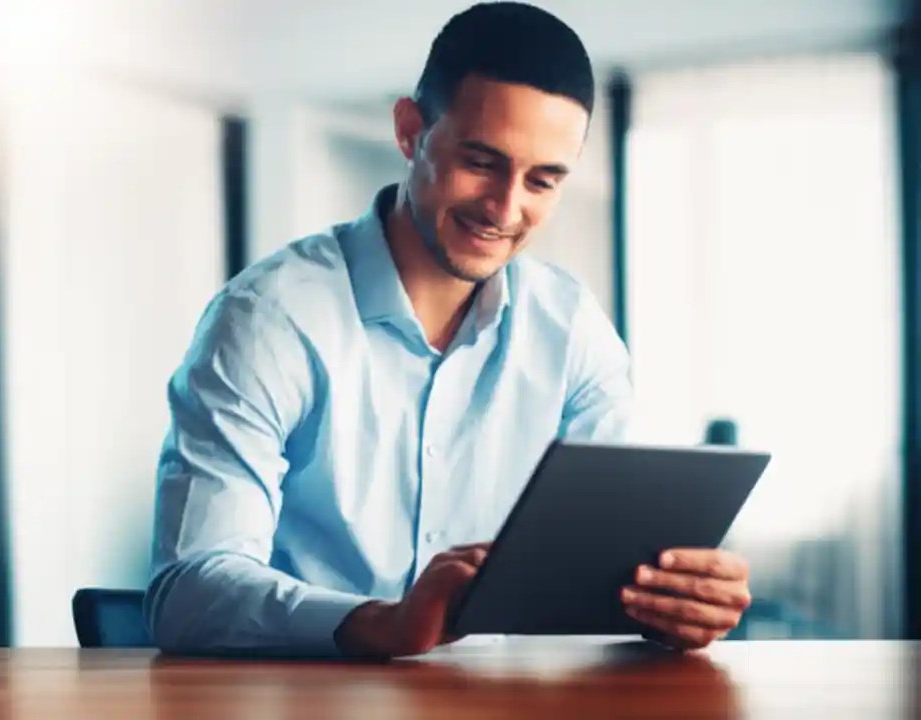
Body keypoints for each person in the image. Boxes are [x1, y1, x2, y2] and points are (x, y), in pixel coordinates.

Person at [145, 1, 752, 658]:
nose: (505, 208)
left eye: (543, 181)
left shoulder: (572, 329)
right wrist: (385, 623)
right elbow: (188, 592)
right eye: (482, 162)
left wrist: (668, 604)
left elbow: (605, 571)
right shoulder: (269, 320)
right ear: (410, 131)